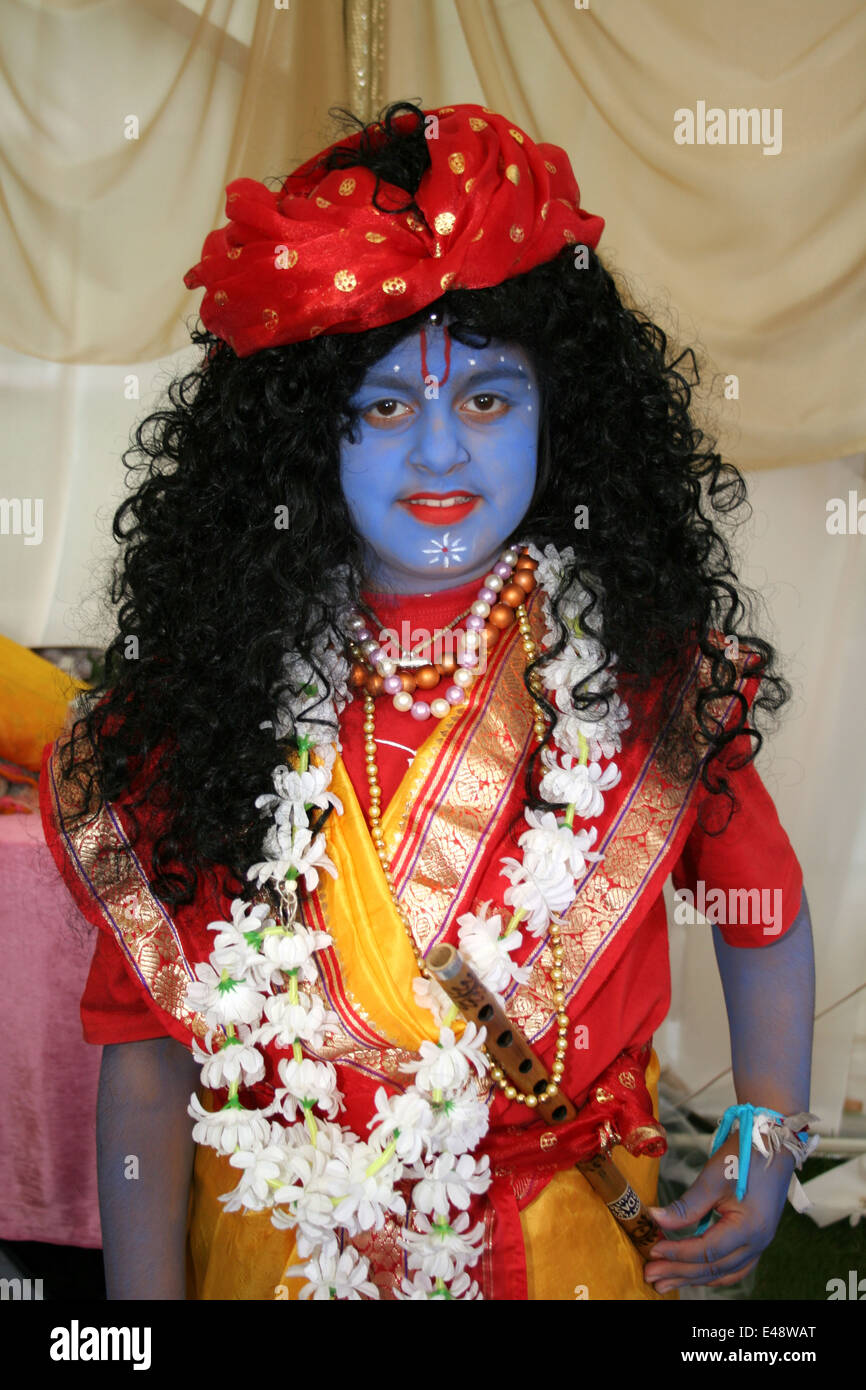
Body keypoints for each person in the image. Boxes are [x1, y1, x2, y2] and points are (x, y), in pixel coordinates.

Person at [40, 100, 815, 1302]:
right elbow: (143, 1067)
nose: (442, 456)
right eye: (387, 405)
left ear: (563, 418)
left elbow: (760, 912)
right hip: (277, 1247)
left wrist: (767, 1150)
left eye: (489, 399)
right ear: (301, 441)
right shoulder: (195, 709)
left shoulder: (647, 673)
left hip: (566, 1251)